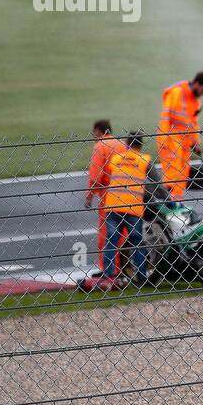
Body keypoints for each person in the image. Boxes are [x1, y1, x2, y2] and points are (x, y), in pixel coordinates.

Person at [99, 131, 153, 286]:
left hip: (113, 206)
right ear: (141, 144)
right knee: (137, 242)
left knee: (112, 239)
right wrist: (166, 200)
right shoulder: (144, 160)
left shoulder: (115, 159)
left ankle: (108, 275)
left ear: (127, 144)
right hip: (132, 208)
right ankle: (141, 278)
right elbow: (156, 184)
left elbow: (112, 176)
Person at [159, 71, 203, 199]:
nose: (202, 94)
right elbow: (166, 117)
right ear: (197, 84)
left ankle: (177, 202)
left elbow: (193, 123)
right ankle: (169, 204)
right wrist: (165, 140)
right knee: (172, 175)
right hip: (170, 139)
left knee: (183, 174)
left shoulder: (195, 101)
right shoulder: (177, 92)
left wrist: (195, 142)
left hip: (184, 143)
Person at [84, 119, 127, 274]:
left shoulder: (100, 146)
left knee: (107, 233)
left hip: (108, 196)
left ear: (98, 131)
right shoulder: (122, 145)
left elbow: (95, 176)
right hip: (128, 193)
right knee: (125, 233)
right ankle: (125, 267)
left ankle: (109, 269)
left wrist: (89, 196)